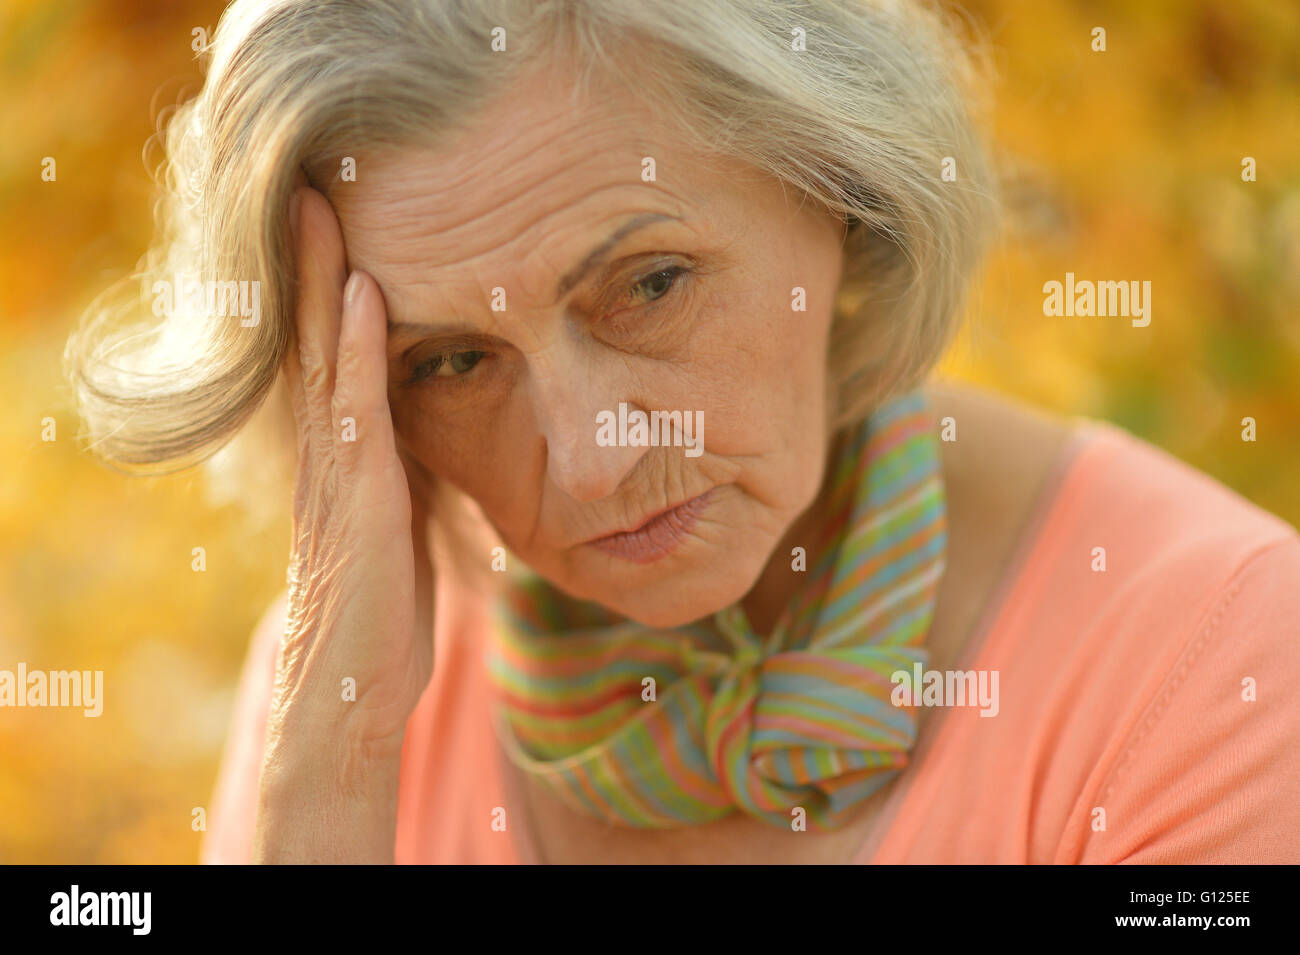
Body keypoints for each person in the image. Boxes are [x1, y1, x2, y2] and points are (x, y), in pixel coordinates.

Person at [64, 0, 1300, 864]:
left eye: (649, 284)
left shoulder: (1220, 656)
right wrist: (328, 778)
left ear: (838, 186)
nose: (594, 454)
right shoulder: (354, 683)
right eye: (450, 362)